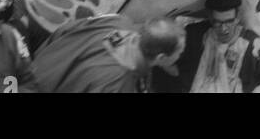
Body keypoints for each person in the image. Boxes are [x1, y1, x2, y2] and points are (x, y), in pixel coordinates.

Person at [31, 13, 186, 93]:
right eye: (179, 52)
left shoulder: (116, 22)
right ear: (161, 57)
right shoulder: (117, 85)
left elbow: (64, 30)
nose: (180, 56)